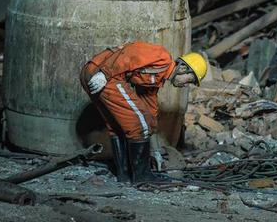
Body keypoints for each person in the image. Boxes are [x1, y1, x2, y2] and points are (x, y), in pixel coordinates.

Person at [79, 41, 207, 184]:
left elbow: (149, 107)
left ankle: (124, 175)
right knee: (138, 126)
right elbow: (130, 52)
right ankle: (142, 177)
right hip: (102, 75)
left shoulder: (158, 77)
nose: (185, 85)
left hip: (93, 74)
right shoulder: (162, 57)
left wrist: (154, 147)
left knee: (118, 126)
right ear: (184, 68)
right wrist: (105, 73)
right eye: (190, 80)